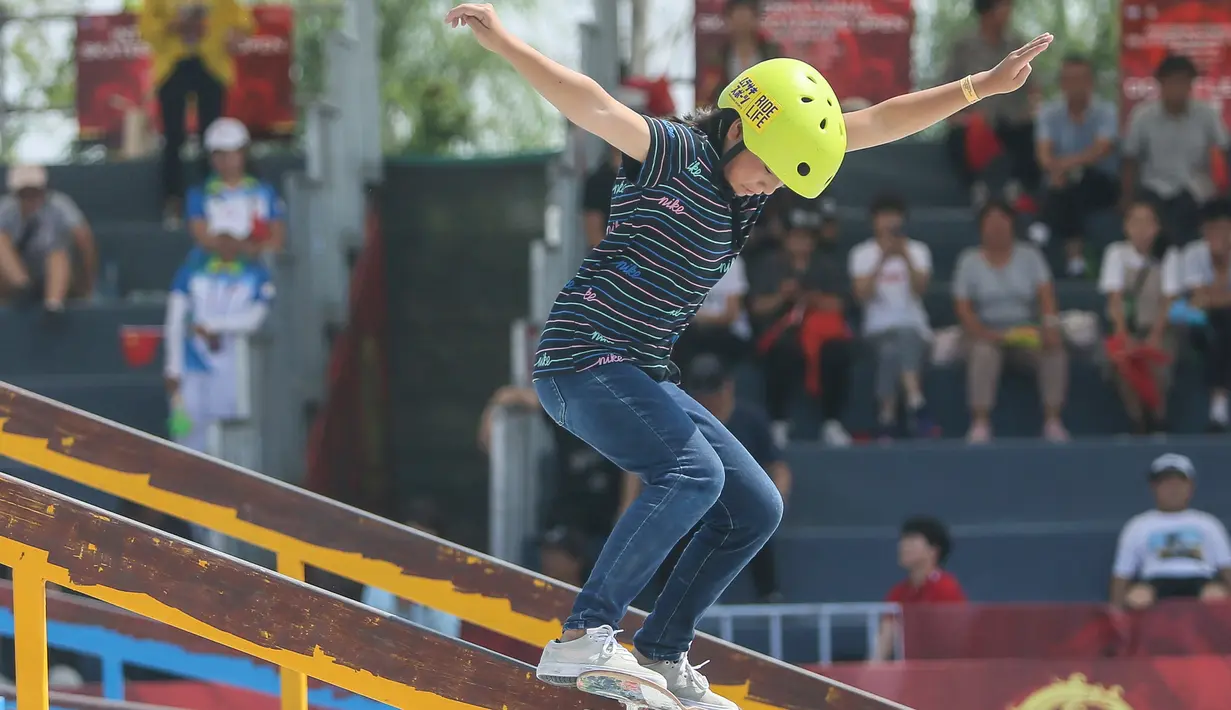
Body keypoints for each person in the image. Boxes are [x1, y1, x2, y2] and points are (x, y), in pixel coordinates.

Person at [446, 4, 1052, 708]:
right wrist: (504, 41)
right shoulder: (669, 149)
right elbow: (591, 103)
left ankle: (663, 649)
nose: (768, 188)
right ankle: (584, 635)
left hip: (636, 368)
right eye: (766, 171)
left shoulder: (757, 173)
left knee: (755, 505)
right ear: (737, 130)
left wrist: (978, 87)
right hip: (582, 357)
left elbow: (876, 122)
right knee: (691, 473)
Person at [634, 355, 792, 603]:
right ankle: (665, 602)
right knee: (672, 528)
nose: (707, 401)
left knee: (760, 519)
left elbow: (778, 467)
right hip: (695, 500)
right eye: (701, 395)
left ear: (728, 387)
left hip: (739, 502)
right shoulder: (680, 417)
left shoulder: (751, 419)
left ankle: (769, 595)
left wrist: (778, 499)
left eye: (712, 393)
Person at [954, 199, 1068, 443]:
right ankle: (980, 423)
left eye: (1001, 221)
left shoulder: (1030, 256)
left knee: (1053, 348)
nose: (996, 227)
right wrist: (986, 334)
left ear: (1012, 224)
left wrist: (1049, 325)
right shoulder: (969, 261)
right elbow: (964, 309)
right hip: (985, 333)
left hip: (1024, 331)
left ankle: (1052, 421)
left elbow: (1046, 296)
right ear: (981, 227)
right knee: (984, 353)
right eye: (990, 222)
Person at [138, 0, 253, 227]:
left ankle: (213, 198)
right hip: (172, 65)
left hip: (211, 64)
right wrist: (174, 25)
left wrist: (235, 36)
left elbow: (244, 21)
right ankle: (173, 201)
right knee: (173, 136)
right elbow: (145, 29)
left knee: (212, 136)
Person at [848, 194, 935, 438]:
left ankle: (886, 418)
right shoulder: (861, 254)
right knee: (889, 347)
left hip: (915, 328)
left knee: (894, 349)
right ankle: (917, 404)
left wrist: (904, 256)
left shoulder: (918, 250)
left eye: (893, 215)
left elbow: (920, 290)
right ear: (874, 221)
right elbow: (861, 296)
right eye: (883, 216)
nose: (888, 221)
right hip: (877, 330)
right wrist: (883, 258)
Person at [1122, 55, 1229, 245]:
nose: (1177, 89)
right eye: (1172, 82)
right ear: (1160, 85)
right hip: (1155, 187)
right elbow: (1130, 158)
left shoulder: (1206, 114)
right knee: (1151, 214)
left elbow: (1226, 149)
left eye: (1183, 82)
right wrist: (1127, 197)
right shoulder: (1143, 115)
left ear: (1191, 85)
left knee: (1187, 209)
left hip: (1196, 188)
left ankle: (1182, 261)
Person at [1098, 200, 1182, 434]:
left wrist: (1155, 336)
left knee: (1155, 361)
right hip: (1126, 328)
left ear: (1157, 227)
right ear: (1126, 226)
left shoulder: (1169, 254)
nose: (1141, 228)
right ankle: (1137, 420)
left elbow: (1169, 299)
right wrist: (1123, 334)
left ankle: (1158, 418)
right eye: (1136, 221)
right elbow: (1114, 298)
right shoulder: (1115, 253)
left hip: (1158, 328)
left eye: (1148, 222)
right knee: (1123, 361)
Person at [1032, 54, 1120, 278]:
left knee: (1077, 182)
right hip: (1063, 182)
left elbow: (1100, 151)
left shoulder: (1106, 111)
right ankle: (1076, 259)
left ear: (1091, 82)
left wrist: (1063, 165)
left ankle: (1044, 221)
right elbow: (1043, 154)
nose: (1075, 85)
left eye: (1080, 79)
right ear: (1061, 83)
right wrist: (1058, 169)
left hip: (1099, 182)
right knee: (1070, 188)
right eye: (1069, 79)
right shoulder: (1049, 113)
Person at [1111, 453, 1231, 610]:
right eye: (1166, 484)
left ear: (1190, 487)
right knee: (1138, 597)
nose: (1172, 490)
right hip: (1156, 581)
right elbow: (1122, 573)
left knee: (1216, 596)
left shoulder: (1208, 523)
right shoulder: (1138, 525)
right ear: (1153, 487)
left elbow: (1226, 567)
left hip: (1200, 579)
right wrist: (1115, 612)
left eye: (1178, 484)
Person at [0, 164, 97, 316]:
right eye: (24, 193)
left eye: (35, 192)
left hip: (56, 277)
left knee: (57, 252)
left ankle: (53, 305)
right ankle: (23, 287)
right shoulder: (5, 209)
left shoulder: (60, 206)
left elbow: (83, 238)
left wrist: (87, 282)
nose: (30, 198)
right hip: (16, 279)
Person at [186, 117, 287, 260]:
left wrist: (254, 249)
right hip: (211, 271)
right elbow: (203, 238)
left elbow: (277, 239)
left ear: (243, 153)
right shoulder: (199, 193)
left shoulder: (265, 191)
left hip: (258, 270)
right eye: (219, 153)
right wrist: (241, 246)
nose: (226, 160)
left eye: (232, 152)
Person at [873, 516, 967, 661]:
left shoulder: (946, 588)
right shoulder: (898, 593)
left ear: (933, 550)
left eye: (912, 541)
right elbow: (884, 639)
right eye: (903, 540)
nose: (903, 546)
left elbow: (954, 640)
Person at [1180, 199, 1231, 431]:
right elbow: (1198, 299)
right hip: (1200, 325)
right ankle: (1218, 407)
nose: (1215, 235)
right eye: (1210, 229)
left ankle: (1218, 406)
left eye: (1222, 229)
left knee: (1225, 329)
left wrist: (1223, 263)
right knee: (1220, 326)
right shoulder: (1193, 252)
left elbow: (1208, 297)